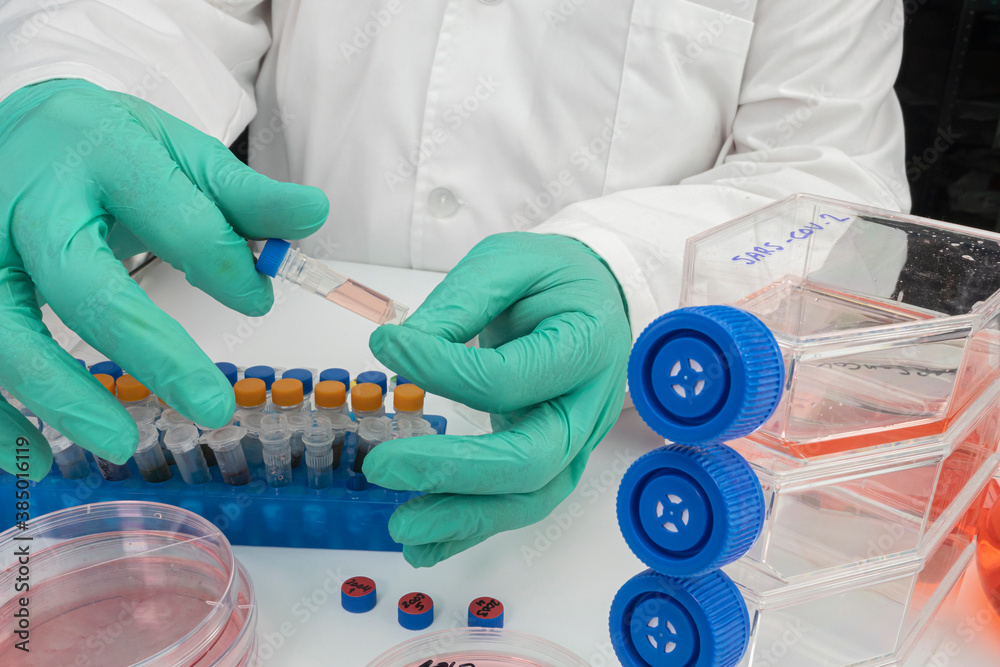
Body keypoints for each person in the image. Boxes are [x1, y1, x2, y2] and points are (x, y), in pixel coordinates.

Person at [0, 0, 909, 566]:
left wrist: (630, 277)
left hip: (635, 466)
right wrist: (54, 94)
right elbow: (141, 15)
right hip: (258, 401)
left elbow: (842, 204)